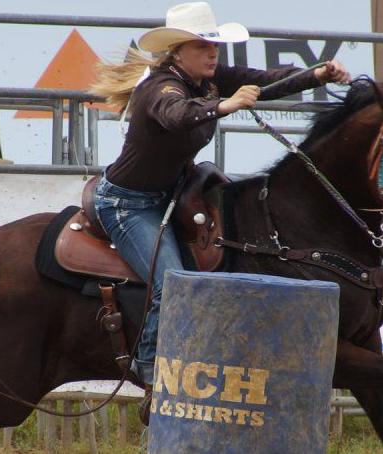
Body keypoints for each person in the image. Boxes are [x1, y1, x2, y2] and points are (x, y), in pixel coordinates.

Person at [89, 1, 351, 396]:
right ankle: (149, 369)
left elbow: (264, 80)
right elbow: (176, 114)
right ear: (177, 52)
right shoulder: (161, 88)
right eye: (202, 46)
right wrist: (225, 105)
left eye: (214, 45)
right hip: (128, 205)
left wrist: (316, 74)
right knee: (172, 284)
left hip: (171, 195)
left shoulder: (206, 82)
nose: (212, 53)